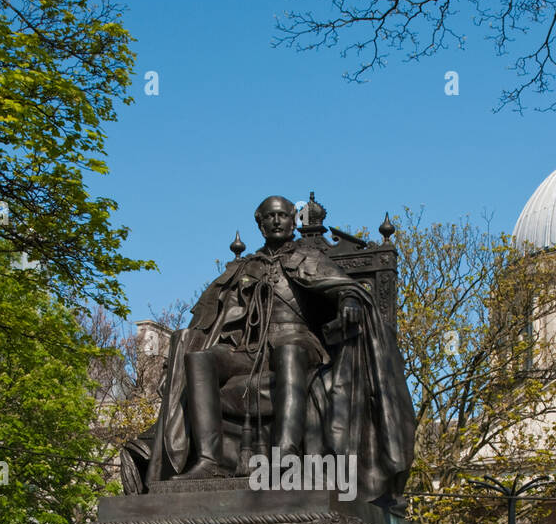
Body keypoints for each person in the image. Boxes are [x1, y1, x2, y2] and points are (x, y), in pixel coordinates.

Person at [122, 195, 415, 507]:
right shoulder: (245, 267)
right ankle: (209, 460)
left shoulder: (309, 258)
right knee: (200, 358)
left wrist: (350, 301)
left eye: (283, 216)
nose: (276, 221)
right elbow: (213, 316)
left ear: (292, 220)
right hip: (251, 350)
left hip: (301, 343)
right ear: (259, 223)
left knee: (288, 351)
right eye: (269, 216)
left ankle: (284, 456)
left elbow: (346, 288)